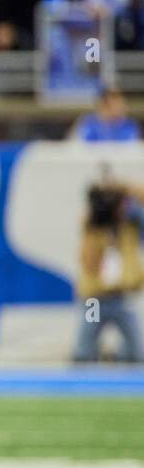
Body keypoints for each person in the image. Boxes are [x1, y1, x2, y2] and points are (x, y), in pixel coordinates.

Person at [74, 179, 142, 363]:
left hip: (121, 297)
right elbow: (89, 261)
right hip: (95, 298)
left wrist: (123, 188)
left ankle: (117, 359)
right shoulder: (93, 227)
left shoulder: (129, 228)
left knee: (137, 352)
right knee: (85, 350)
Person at [67, 87, 140, 142]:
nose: (123, 108)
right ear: (105, 105)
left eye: (122, 104)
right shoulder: (87, 123)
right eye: (116, 104)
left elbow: (134, 149)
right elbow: (75, 148)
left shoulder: (129, 126)